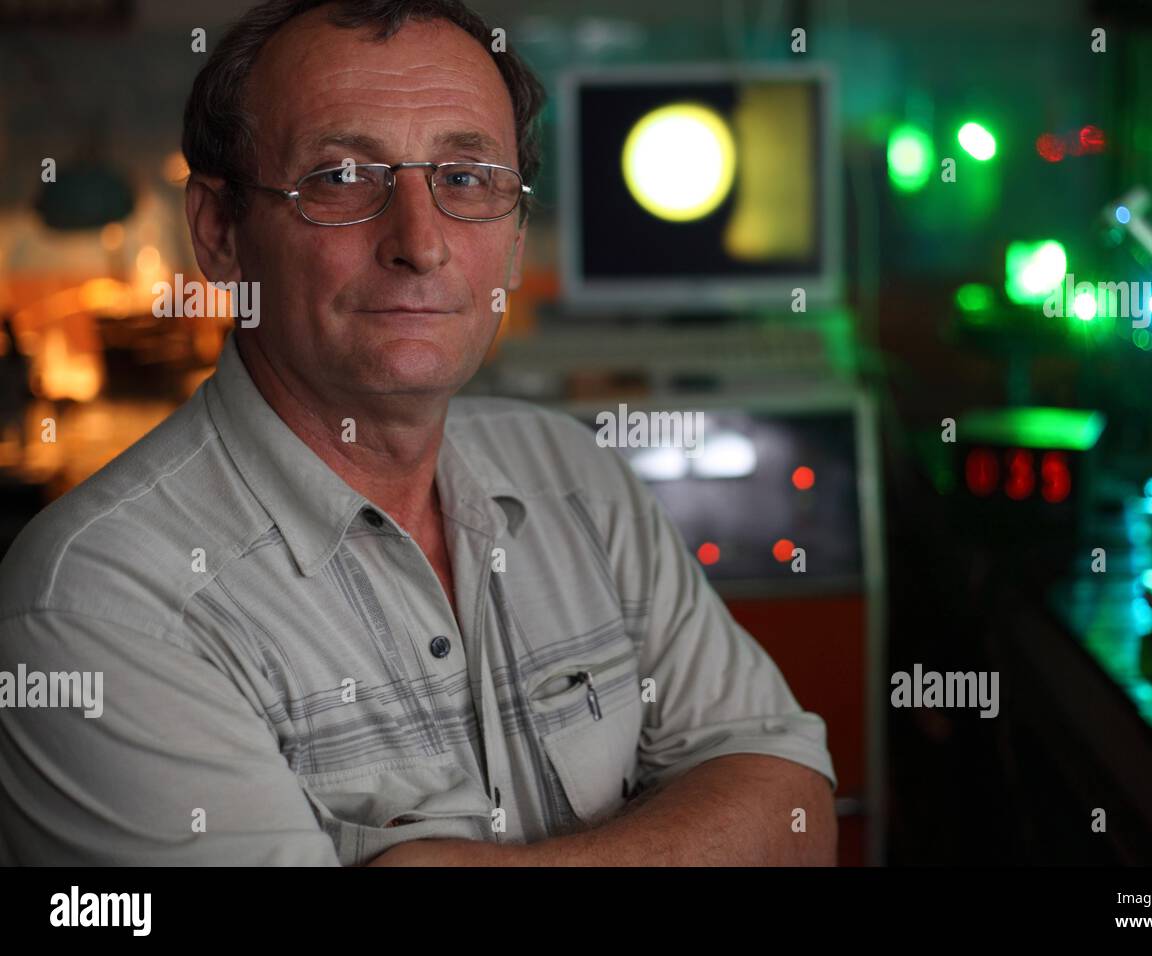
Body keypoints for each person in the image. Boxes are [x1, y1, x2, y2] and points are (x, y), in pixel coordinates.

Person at [0, 0, 836, 866]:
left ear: (514, 241)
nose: (420, 243)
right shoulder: (99, 606)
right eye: (340, 177)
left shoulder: (575, 476)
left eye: (467, 180)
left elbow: (797, 807)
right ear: (219, 232)